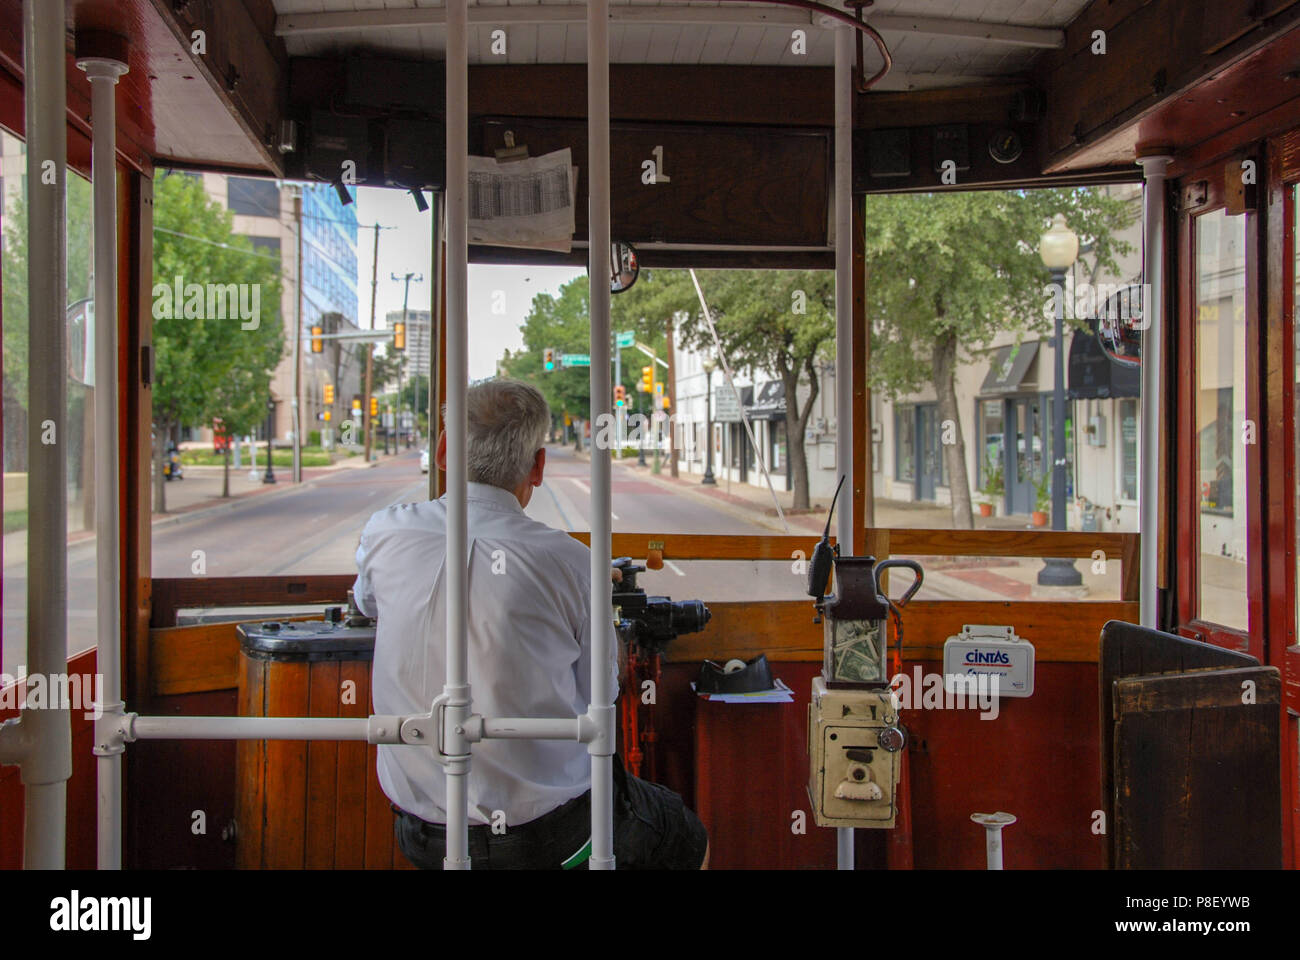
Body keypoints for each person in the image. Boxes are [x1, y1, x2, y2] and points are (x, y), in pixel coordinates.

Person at [353, 378, 708, 869]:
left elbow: (368, 604)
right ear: (538, 467)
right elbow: (602, 693)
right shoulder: (573, 562)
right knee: (686, 835)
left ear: (442, 452)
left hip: (422, 833)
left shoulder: (384, 532)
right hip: (546, 836)